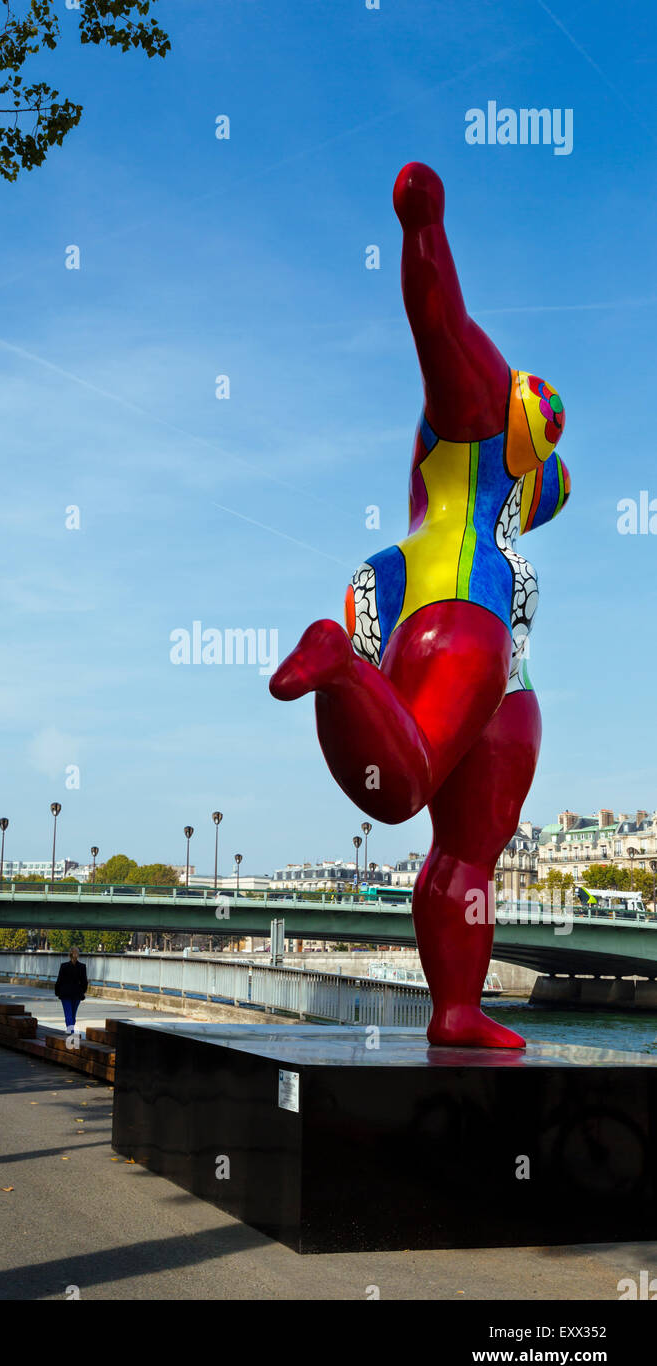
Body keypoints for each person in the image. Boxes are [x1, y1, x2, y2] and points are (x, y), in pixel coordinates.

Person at [270, 162, 570, 1050]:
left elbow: (558, 485)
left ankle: (456, 1007)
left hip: (507, 689)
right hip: (458, 629)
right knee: (401, 790)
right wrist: (422, 226)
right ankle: (338, 666)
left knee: (469, 852)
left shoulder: (524, 488)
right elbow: (439, 323)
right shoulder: (476, 415)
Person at [54, 947, 88, 1037]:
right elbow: (84, 982)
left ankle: (71, 1031)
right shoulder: (82, 967)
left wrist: (57, 992)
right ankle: (71, 1031)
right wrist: (82, 992)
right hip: (77, 994)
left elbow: (59, 980)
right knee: (73, 1014)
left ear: (70, 954)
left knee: (68, 1013)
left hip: (65, 993)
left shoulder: (64, 966)